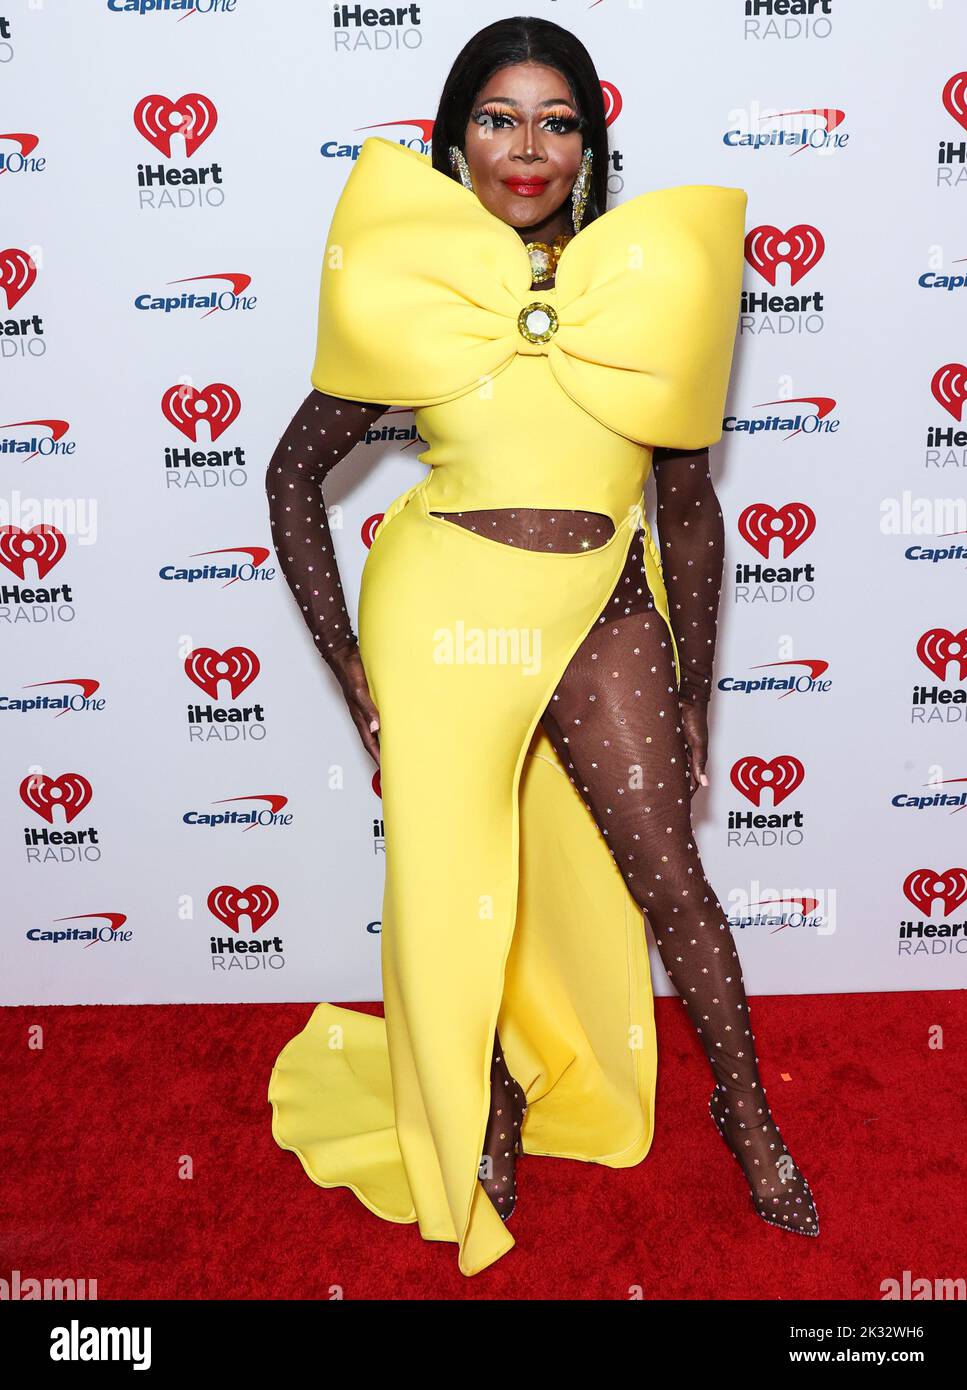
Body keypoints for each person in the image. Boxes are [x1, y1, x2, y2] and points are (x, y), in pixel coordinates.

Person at [265, 16, 819, 1277]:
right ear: (454, 137)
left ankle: (748, 1118)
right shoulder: (421, 299)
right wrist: (348, 656)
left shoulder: (647, 294)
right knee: (456, 901)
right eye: (497, 118)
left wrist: (692, 684)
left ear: (590, 140)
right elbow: (293, 475)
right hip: (439, 617)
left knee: (668, 879)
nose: (527, 148)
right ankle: (482, 1101)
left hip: (604, 604)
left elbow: (685, 505)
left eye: (557, 121)